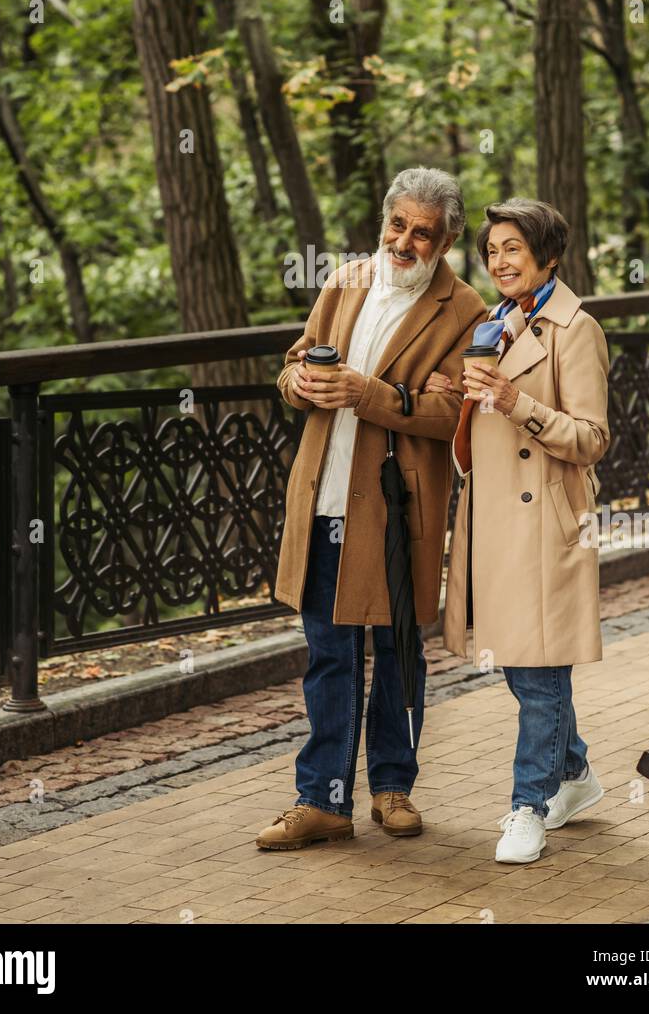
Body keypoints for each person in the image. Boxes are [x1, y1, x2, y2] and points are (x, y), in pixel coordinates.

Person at [256, 167, 487, 851]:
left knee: (396, 653)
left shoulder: (464, 309)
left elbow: (456, 415)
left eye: (423, 232)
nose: (405, 241)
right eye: (397, 225)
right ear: (383, 222)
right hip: (324, 496)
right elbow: (297, 360)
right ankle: (322, 801)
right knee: (327, 656)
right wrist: (298, 379)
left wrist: (372, 395)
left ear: (446, 240)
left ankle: (392, 787)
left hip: (395, 508)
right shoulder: (347, 279)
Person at [425, 198, 610, 864]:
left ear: (547, 254)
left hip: (547, 523)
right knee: (521, 664)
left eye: (513, 248)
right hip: (493, 517)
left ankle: (526, 806)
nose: (500, 262)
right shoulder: (494, 324)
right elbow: (484, 427)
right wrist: (465, 402)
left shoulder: (576, 329)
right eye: (492, 251)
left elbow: (590, 438)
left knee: (536, 673)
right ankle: (575, 774)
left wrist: (514, 401)